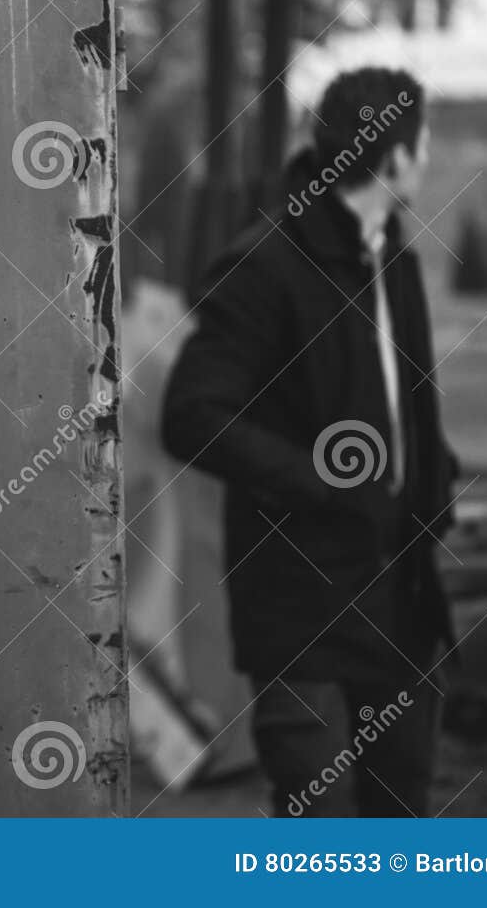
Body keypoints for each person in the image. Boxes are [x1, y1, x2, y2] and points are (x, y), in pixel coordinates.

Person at [160, 66, 460, 817]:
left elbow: (409, 401)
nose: (426, 161)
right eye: (422, 146)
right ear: (393, 160)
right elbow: (193, 416)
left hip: (401, 601)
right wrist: (326, 485)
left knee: (402, 823)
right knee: (321, 833)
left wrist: (435, 484)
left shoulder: (396, 258)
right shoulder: (264, 266)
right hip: (302, 613)